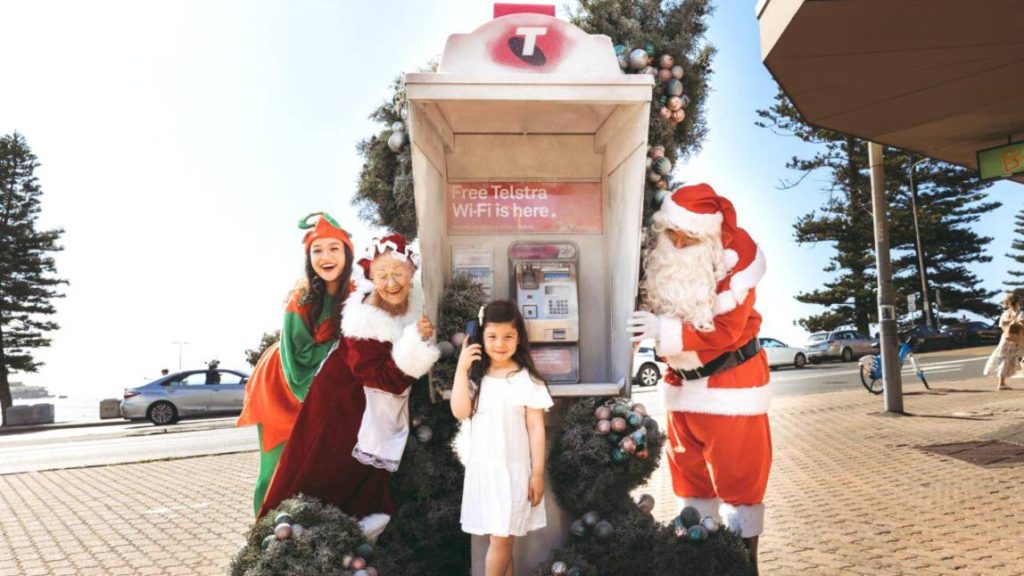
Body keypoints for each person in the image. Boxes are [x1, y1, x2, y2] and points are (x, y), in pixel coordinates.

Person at [259, 233, 440, 542]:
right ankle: (308, 542)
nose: (391, 282)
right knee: (325, 477)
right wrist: (416, 343)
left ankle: (351, 540)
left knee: (360, 480)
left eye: (398, 273)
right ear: (371, 278)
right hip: (341, 409)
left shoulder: (414, 302)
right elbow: (384, 378)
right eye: (382, 275)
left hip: (367, 407)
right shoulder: (364, 324)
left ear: (412, 275)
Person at [627, 183, 769, 572]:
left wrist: (662, 329)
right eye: (670, 233)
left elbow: (726, 332)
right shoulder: (659, 263)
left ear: (708, 237)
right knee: (690, 489)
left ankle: (744, 566)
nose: (676, 242)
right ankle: (703, 563)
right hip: (681, 390)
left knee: (740, 494)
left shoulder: (735, 268)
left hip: (732, 389)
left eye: (687, 237)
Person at [236, 212, 354, 516]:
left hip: (322, 384)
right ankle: (261, 530)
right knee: (275, 465)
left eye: (333, 249)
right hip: (280, 383)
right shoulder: (301, 298)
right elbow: (298, 357)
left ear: (347, 253)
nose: (325, 257)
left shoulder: (355, 294)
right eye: (317, 250)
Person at [451, 300, 552, 576]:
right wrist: (461, 368)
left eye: (508, 336)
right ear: (479, 339)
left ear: (518, 337)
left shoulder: (527, 380)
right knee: (500, 541)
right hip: (484, 473)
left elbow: (536, 429)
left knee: (501, 540)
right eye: (492, 336)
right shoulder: (477, 379)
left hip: (514, 473)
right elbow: (460, 411)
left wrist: (538, 474)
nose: (500, 343)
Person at [983, 288, 1024, 390]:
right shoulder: (1020, 313)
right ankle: (1001, 384)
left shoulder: (1005, 313)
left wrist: (1009, 325)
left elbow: (1001, 325)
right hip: (1018, 339)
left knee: (1005, 360)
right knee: (1017, 359)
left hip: (1006, 338)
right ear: (1018, 301)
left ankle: (1001, 383)